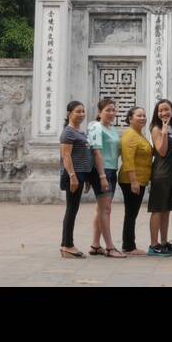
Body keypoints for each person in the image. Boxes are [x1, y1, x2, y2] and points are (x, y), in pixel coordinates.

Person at [59, 100, 108, 258]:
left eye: (82, 111)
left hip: (80, 175)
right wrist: (73, 176)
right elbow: (66, 156)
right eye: (77, 111)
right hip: (73, 175)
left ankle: (67, 244)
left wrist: (86, 177)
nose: (81, 114)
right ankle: (67, 245)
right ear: (69, 114)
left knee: (73, 209)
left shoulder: (79, 131)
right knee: (71, 209)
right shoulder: (68, 132)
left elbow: (83, 155)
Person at [88, 98, 124, 258]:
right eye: (108, 110)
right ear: (99, 112)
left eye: (113, 110)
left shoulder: (111, 128)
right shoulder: (96, 127)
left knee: (100, 209)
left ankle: (96, 245)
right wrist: (101, 176)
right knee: (106, 210)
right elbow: (96, 152)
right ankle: (110, 247)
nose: (111, 113)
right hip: (102, 172)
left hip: (111, 170)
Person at [119, 106, 153, 255]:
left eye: (144, 115)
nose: (142, 118)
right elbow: (128, 160)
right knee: (131, 213)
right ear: (130, 118)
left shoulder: (139, 134)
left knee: (132, 213)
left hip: (140, 179)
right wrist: (133, 181)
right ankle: (128, 246)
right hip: (131, 180)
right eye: (139, 115)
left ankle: (128, 244)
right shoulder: (130, 135)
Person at [147, 99, 172, 257]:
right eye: (160, 110)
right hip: (161, 173)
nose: (164, 113)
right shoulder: (156, 128)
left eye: (167, 109)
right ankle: (154, 245)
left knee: (166, 209)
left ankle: (164, 242)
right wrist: (164, 131)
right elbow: (162, 151)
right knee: (157, 209)